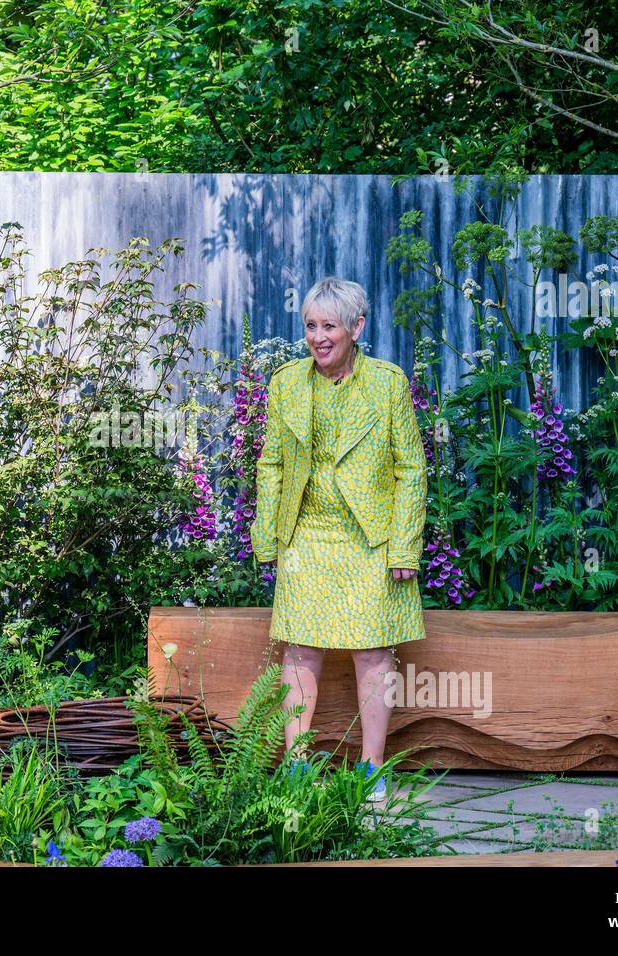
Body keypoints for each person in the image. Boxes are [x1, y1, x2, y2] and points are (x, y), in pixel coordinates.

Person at [249, 276, 428, 803]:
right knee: (300, 650)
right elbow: (273, 464)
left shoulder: (388, 384)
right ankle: (297, 769)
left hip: (370, 539)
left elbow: (410, 470)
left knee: (373, 654)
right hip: (305, 536)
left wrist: (403, 546)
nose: (318, 336)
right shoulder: (286, 383)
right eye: (310, 325)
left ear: (357, 327)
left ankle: (372, 772)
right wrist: (268, 536)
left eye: (329, 326)